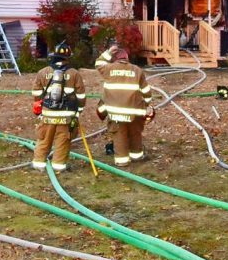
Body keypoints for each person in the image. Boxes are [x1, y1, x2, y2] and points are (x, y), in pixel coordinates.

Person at [30, 43, 86, 171]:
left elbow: (36, 94)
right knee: (63, 140)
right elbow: (81, 96)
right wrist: (78, 112)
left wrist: (41, 109)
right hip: (66, 116)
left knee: (44, 139)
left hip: (47, 114)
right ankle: (59, 165)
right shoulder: (74, 73)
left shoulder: (43, 72)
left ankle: (38, 163)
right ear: (68, 57)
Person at [95, 48, 153, 165]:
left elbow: (98, 63)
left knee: (119, 135)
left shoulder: (108, 69)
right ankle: (137, 156)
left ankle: (122, 160)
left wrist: (109, 51)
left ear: (115, 59)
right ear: (127, 58)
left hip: (116, 113)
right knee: (135, 133)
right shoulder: (137, 70)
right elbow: (146, 91)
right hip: (135, 111)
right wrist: (147, 105)